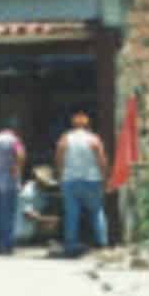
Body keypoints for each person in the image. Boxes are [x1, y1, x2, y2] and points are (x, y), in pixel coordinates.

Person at [55, 109, 109, 256]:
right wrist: (105, 178)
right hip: (92, 180)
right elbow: (102, 160)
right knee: (97, 211)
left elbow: (59, 158)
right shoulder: (94, 139)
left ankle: (71, 244)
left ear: (73, 124)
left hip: (70, 180)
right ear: (88, 124)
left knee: (72, 213)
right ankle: (102, 244)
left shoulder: (65, 139)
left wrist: (60, 176)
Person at [0, 118, 26, 254]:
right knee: (8, 213)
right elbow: (20, 154)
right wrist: (17, 168)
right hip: (9, 181)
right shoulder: (14, 140)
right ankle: (7, 245)